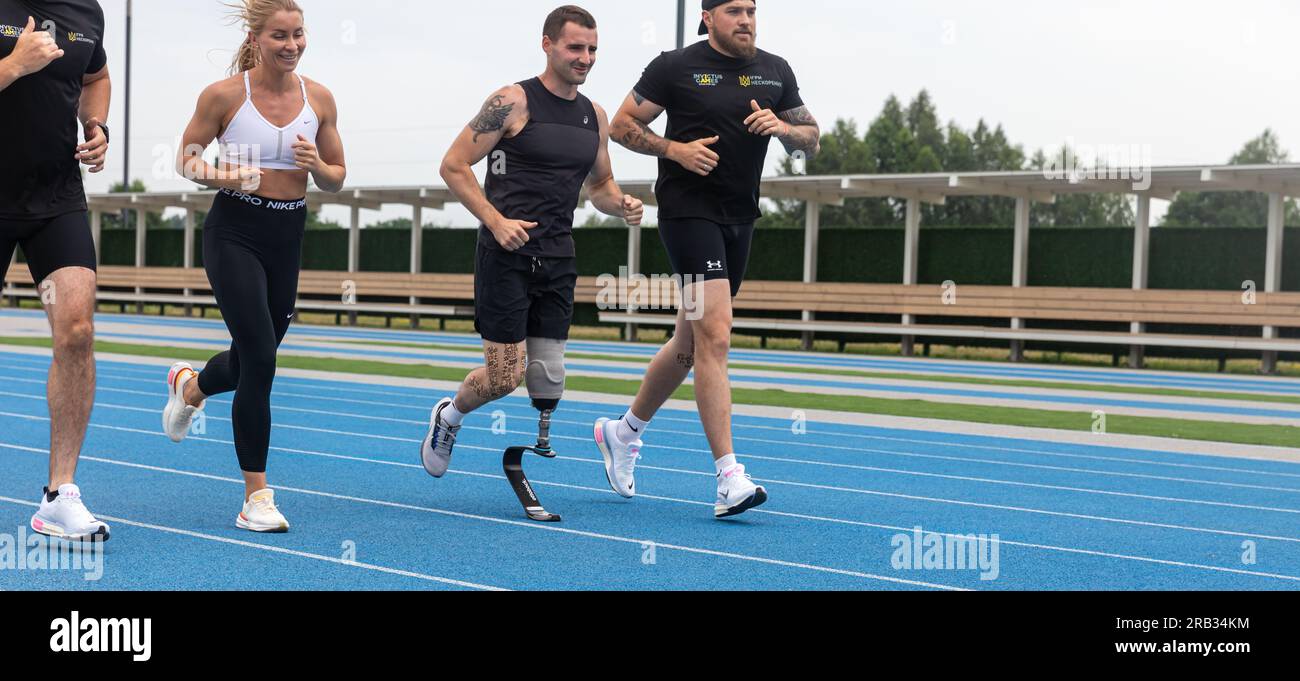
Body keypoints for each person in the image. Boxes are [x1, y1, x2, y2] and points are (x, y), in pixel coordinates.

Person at [594, 0, 821, 518]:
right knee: (717, 334)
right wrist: (675, 150)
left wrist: (783, 130)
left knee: (690, 341)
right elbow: (623, 124)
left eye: (752, 10)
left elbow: (812, 136)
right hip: (688, 213)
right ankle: (728, 478)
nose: (746, 19)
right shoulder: (675, 66)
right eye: (734, 10)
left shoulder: (774, 70)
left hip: (741, 218)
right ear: (708, 16)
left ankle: (622, 432)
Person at [421, 5, 643, 480]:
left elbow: (600, 186)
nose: (585, 58)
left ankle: (535, 427)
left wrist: (621, 203)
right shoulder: (513, 101)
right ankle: (450, 415)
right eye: (575, 47)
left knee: (548, 381)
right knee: (504, 378)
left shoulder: (595, 116)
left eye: (593, 49)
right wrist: (495, 220)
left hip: (560, 257)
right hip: (506, 256)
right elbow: (453, 165)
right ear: (548, 44)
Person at [162, 0, 346, 533]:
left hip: (286, 235)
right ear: (256, 39)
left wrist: (319, 167)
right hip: (234, 232)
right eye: (280, 37)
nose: (291, 46)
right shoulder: (224, 96)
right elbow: (187, 158)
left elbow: (337, 175)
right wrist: (222, 175)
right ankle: (255, 498)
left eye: (299, 35)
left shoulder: (321, 99)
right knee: (261, 359)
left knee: (250, 358)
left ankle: (191, 387)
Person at [1, 0, 112, 540]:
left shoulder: (86, 12)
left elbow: (98, 76)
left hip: (57, 197)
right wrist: (14, 65)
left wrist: (97, 124)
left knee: (77, 330)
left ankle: (58, 495)